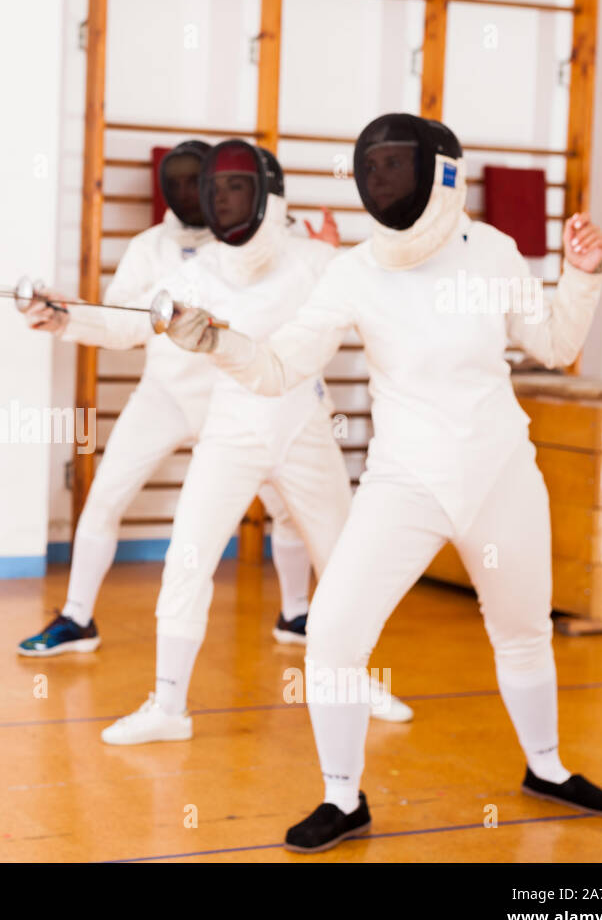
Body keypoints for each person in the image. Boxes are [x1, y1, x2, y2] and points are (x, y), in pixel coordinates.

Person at [164, 114, 602, 851]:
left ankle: (548, 767)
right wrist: (217, 341)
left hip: (501, 473)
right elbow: (282, 367)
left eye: (393, 167)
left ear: (441, 173)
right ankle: (343, 799)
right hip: (404, 482)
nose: (381, 182)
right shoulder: (355, 270)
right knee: (335, 636)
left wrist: (583, 274)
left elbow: (557, 344)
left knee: (523, 631)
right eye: (371, 169)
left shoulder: (495, 254)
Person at [29, 142, 413, 742]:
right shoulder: (192, 274)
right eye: (220, 189)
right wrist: (64, 317)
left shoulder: (318, 260)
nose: (227, 199)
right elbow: (129, 320)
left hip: (305, 428)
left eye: (239, 188)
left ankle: (356, 679)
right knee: (187, 558)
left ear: (267, 195)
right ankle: (168, 706)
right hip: (230, 431)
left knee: (342, 563)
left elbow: (377, 307)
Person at [19, 140, 321, 658]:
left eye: (197, 182)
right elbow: (121, 320)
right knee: (106, 494)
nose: (188, 192)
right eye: (177, 183)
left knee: (287, 508)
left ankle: (296, 613)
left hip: (238, 398)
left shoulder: (260, 245)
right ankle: (76, 617)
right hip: (165, 394)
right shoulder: (151, 249)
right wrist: (66, 316)